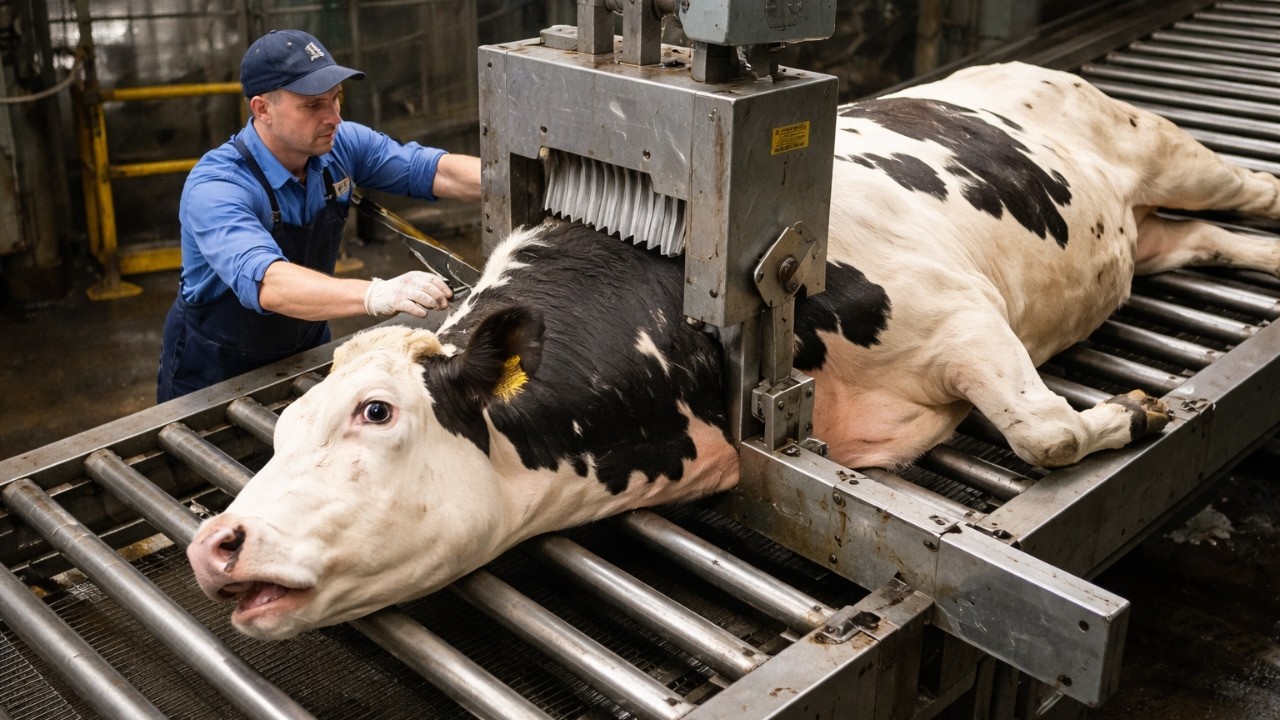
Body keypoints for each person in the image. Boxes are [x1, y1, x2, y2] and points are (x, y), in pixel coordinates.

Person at [157, 29, 481, 402]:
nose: (334, 118)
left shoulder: (339, 147)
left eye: (336, 98)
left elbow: (433, 171)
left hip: (306, 352)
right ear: (262, 109)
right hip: (215, 373)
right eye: (313, 105)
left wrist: (520, 177)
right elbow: (269, 283)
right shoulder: (218, 186)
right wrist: (379, 293)